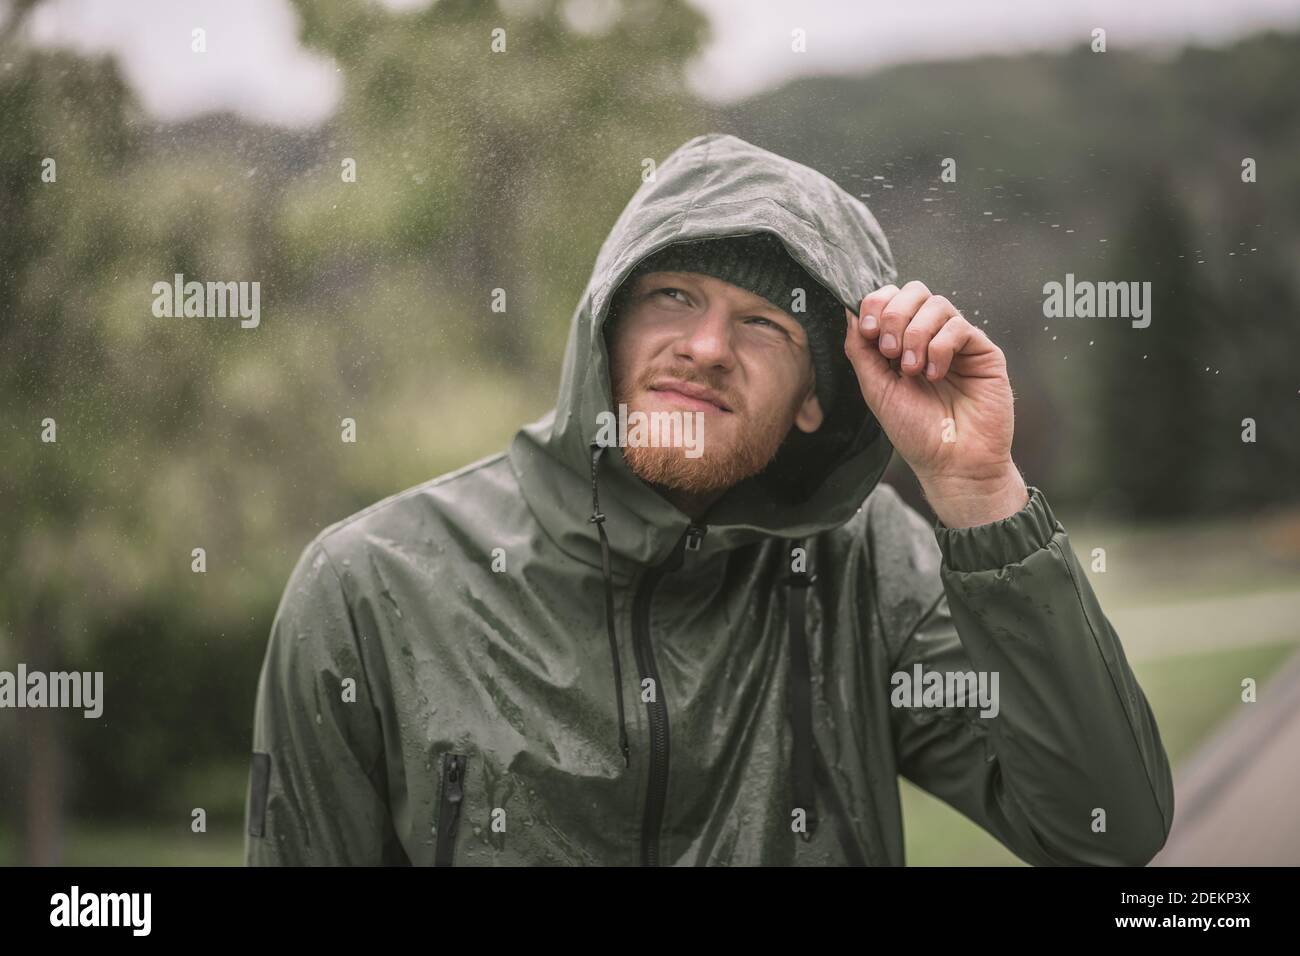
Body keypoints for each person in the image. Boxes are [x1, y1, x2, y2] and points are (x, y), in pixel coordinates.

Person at [245, 132, 1173, 866]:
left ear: (818, 398)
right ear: (606, 326)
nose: (706, 346)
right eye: (674, 295)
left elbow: (1104, 830)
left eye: (765, 323)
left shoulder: (866, 567)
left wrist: (981, 490)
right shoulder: (370, 586)